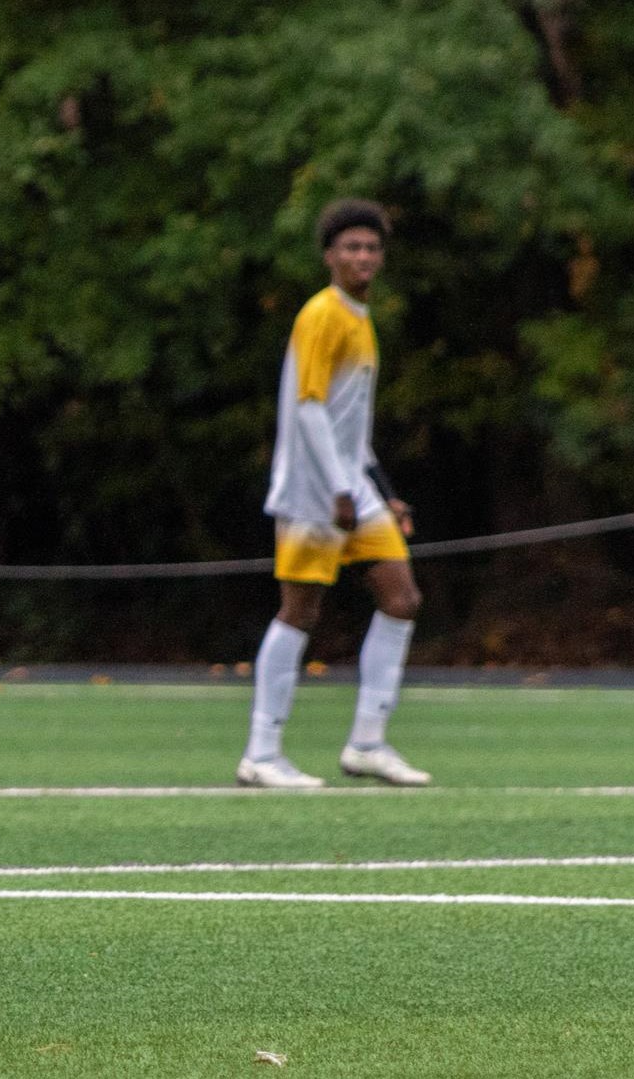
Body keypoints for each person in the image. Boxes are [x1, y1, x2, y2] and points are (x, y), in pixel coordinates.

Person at [238, 198, 429, 789]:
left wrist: (381, 490)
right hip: (311, 488)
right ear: (330, 257)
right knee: (300, 610)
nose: (363, 256)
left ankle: (368, 742)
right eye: (351, 247)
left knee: (402, 599)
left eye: (371, 247)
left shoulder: (361, 318)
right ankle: (262, 753)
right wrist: (341, 490)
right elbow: (310, 407)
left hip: (351, 484)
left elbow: (352, 427)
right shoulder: (321, 314)